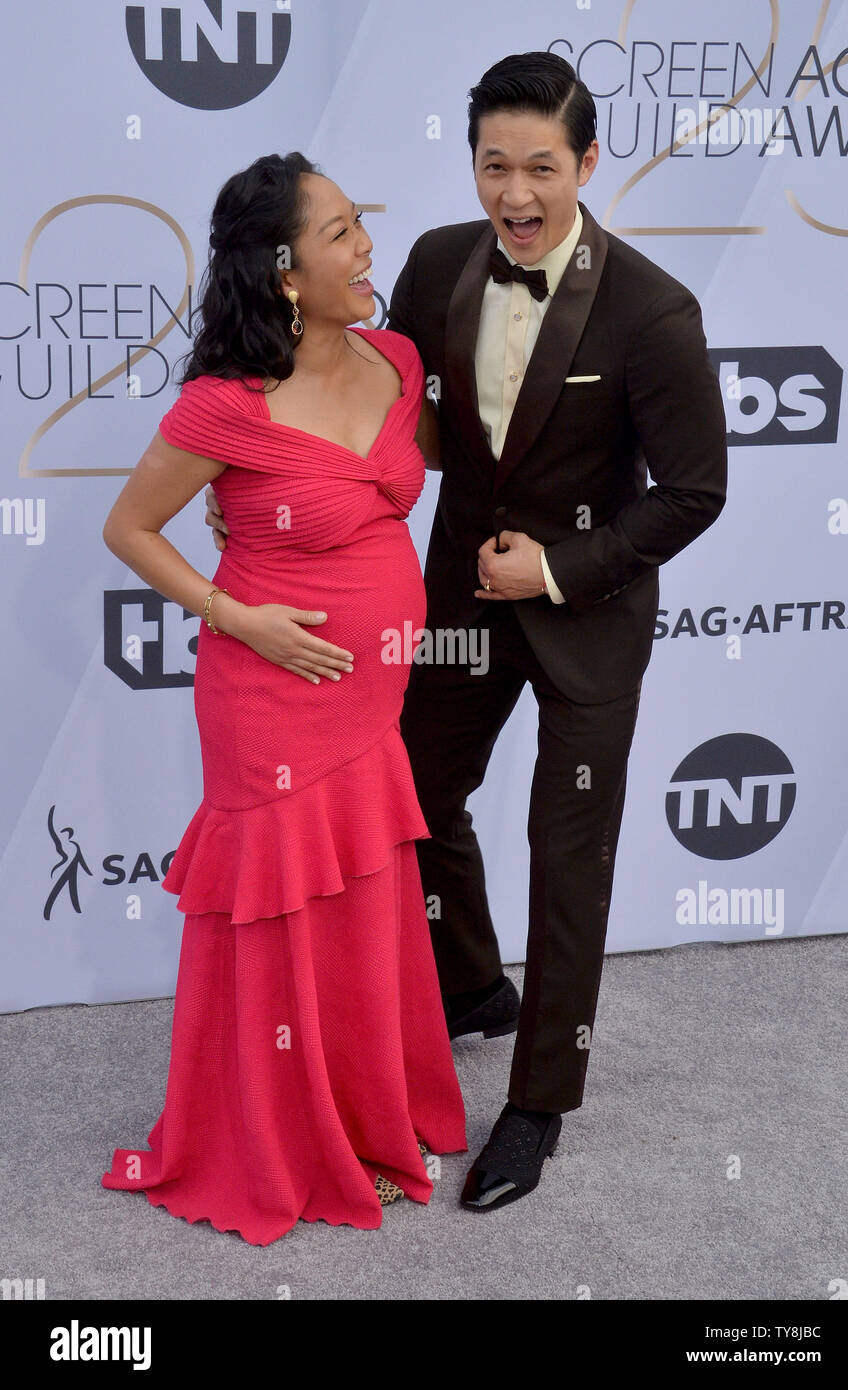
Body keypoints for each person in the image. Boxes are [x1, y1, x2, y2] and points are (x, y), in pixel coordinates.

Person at [208, 51, 728, 1214]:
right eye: (495, 165)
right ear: (473, 167)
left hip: (586, 617)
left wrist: (557, 562)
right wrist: (249, 471)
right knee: (411, 797)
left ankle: (538, 1101)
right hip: (451, 605)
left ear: (587, 164)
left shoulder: (653, 308)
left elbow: (694, 491)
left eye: (542, 166)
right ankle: (473, 984)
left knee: (567, 851)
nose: (517, 193)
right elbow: (367, 398)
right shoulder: (439, 263)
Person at [101, 152, 466, 1246]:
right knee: (279, 908)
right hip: (267, 693)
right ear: (284, 271)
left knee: (360, 904)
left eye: (363, 226)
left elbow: (418, 475)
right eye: (344, 233)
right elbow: (128, 528)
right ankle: (271, 1135)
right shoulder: (222, 407)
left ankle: (361, 1116)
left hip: (370, 704)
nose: (367, 250)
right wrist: (233, 612)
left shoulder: (398, 358)